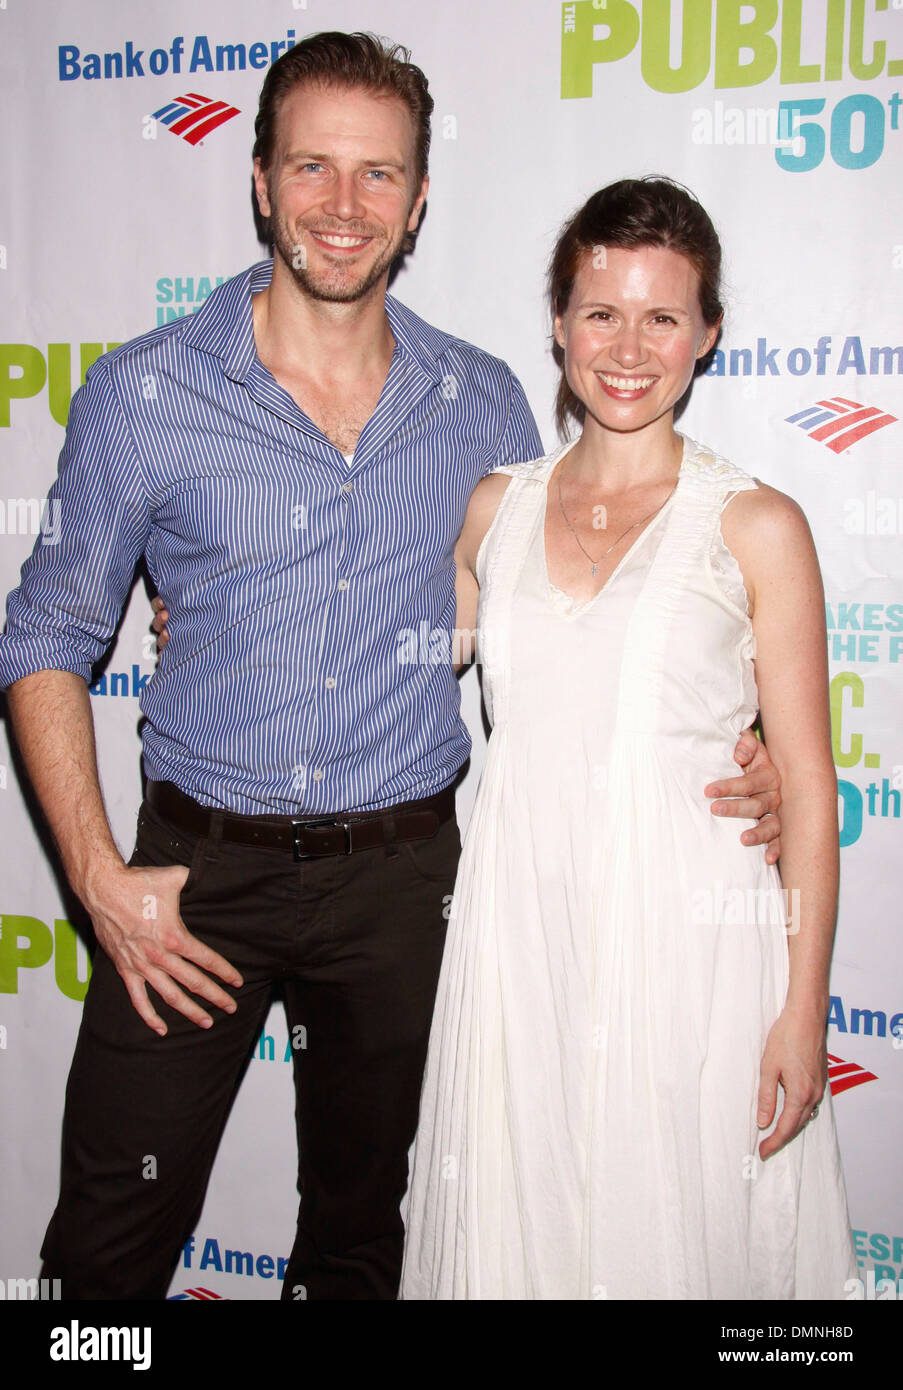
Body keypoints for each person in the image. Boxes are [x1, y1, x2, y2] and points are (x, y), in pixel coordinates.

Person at [0, 31, 781, 1302]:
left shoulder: (483, 405)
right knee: (105, 1254)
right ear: (260, 179)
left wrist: (758, 757)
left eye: (378, 175)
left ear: (421, 199)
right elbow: (45, 636)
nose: (344, 206)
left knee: (366, 1238)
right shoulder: (143, 396)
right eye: (313, 166)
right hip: (192, 881)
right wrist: (98, 875)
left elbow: (581, 628)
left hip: (407, 886)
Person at [400, 178, 857, 1300]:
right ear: (558, 322)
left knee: (679, 1240)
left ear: (707, 335)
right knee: (526, 1232)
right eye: (602, 311)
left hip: (689, 954)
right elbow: (398, 640)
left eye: (664, 316)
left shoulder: (757, 523)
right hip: (520, 943)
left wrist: (804, 1011)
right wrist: (200, 602)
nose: (629, 347)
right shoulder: (492, 506)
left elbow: (803, 780)